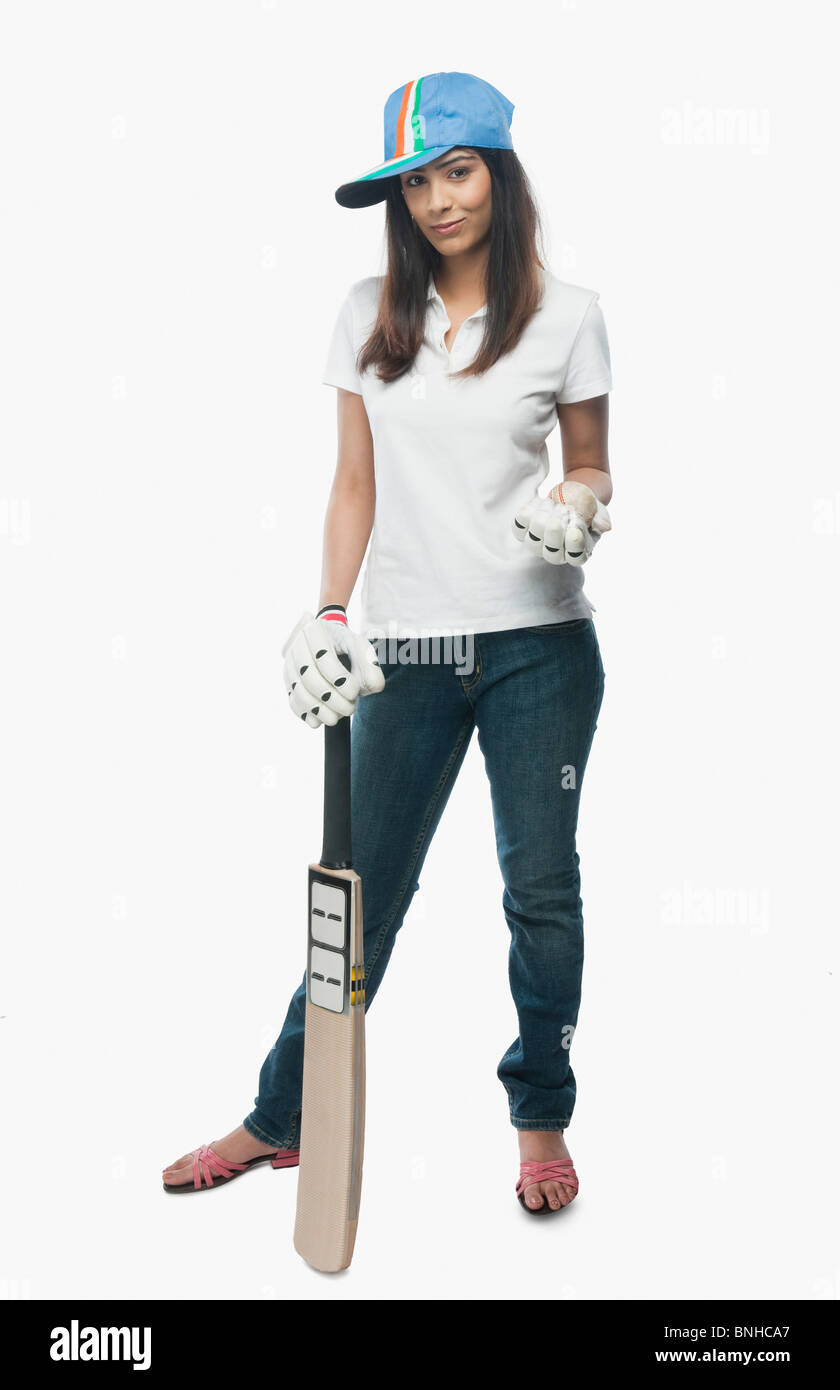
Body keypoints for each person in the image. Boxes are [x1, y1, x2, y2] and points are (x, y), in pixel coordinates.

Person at [162, 70, 613, 1215]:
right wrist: (326, 610)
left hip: (538, 647)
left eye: (455, 172)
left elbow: (592, 465)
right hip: (403, 653)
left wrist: (580, 506)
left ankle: (540, 1119)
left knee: (541, 891)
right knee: (357, 896)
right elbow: (353, 482)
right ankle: (283, 1117)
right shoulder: (369, 310)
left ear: (499, 176)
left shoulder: (569, 314)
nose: (434, 200)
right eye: (414, 181)